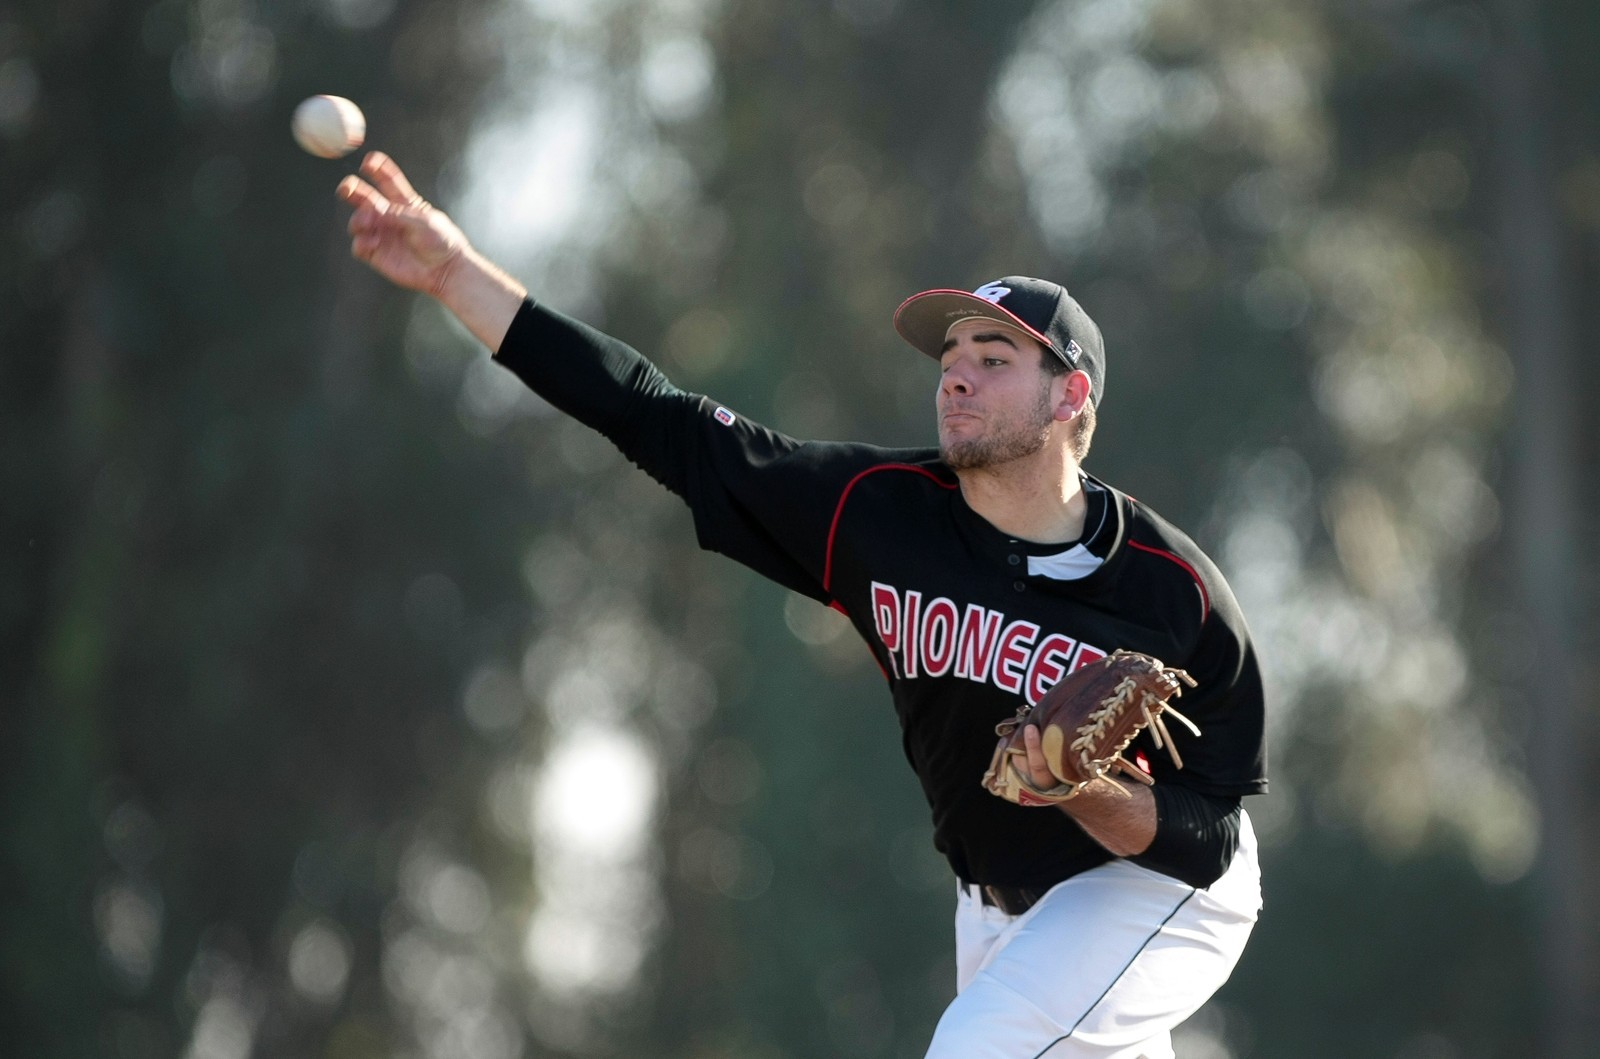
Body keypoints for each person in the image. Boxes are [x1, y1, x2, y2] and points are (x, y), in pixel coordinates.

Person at [337, 151, 1267, 1059]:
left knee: (979, 1048)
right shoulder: (878, 514)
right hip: (993, 904)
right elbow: (657, 417)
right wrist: (457, 275)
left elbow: (1209, 838)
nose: (955, 375)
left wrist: (1088, 789)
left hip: (1152, 889)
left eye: (994, 358)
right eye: (951, 355)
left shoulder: (1170, 589)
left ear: (1070, 395)